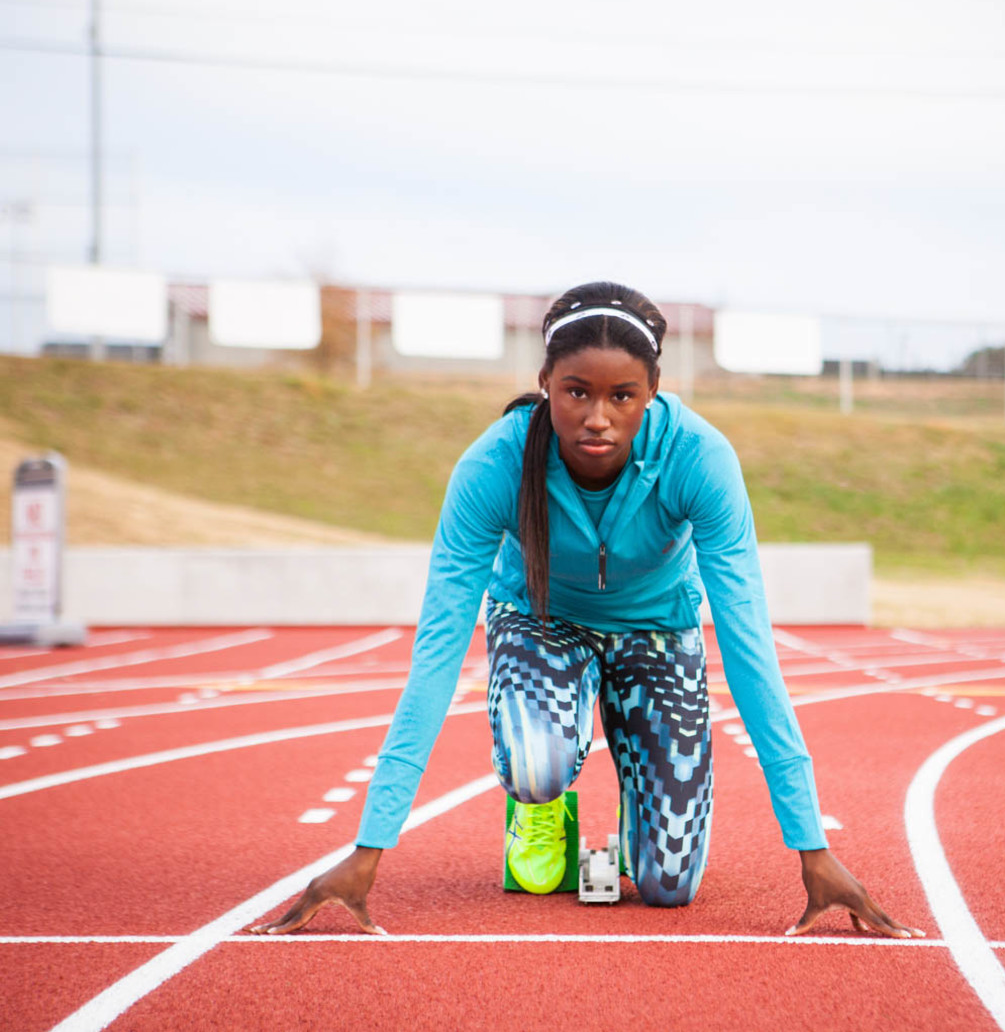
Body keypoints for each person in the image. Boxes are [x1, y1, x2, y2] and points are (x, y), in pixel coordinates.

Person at [251, 280, 922, 938]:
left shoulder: (699, 460)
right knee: (535, 764)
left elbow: (750, 650)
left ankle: (645, 821)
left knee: (668, 887)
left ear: (651, 394)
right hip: (542, 622)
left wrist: (811, 846)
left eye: (622, 396)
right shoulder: (496, 464)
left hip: (657, 631)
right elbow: (436, 652)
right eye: (577, 392)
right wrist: (370, 847)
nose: (597, 417)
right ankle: (539, 808)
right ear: (546, 382)